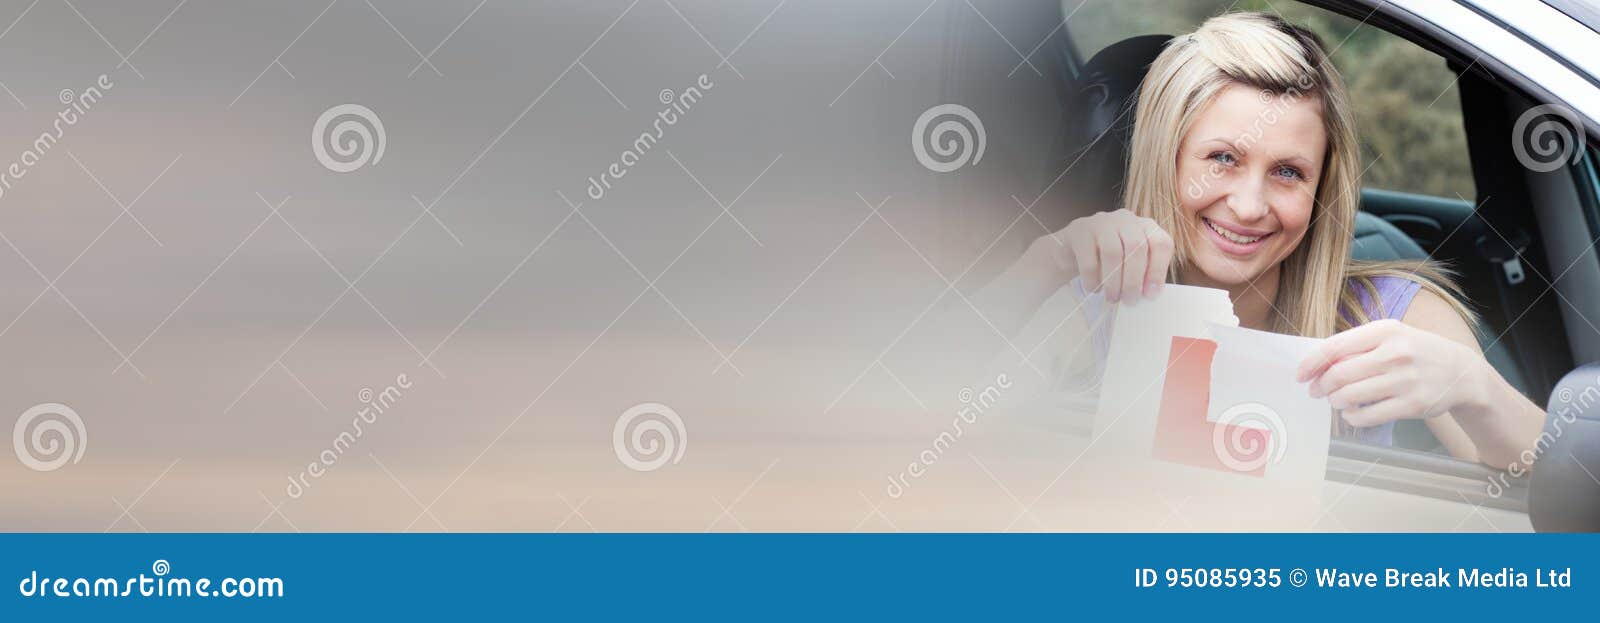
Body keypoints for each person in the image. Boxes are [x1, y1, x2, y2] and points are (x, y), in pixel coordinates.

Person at [977, 11, 1541, 470]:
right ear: (1165, 160)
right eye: (1222, 158)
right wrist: (1045, 263)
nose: (1249, 207)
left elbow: (1561, 488)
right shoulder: (1094, 305)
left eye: (1288, 172)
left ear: (1323, 189)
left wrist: (1478, 391)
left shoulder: (1391, 317)